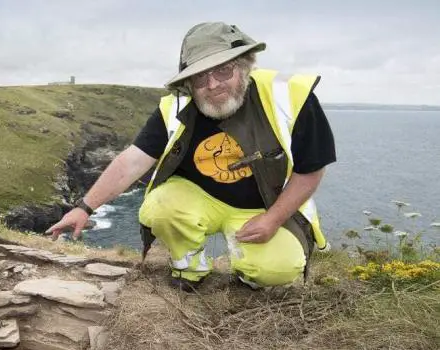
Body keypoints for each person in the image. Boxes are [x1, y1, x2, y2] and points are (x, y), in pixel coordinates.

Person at [45, 21, 337, 292]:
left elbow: (311, 170)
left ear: (245, 66)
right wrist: (85, 208)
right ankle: (189, 268)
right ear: (188, 83)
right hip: (198, 199)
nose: (212, 85)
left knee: (278, 269)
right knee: (158, 208)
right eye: (200, 77)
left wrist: (273, 219)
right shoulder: (175, 108)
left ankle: (249, 273)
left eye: (223, 70)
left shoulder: (290, 97)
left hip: (262, 207)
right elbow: (133, 160)